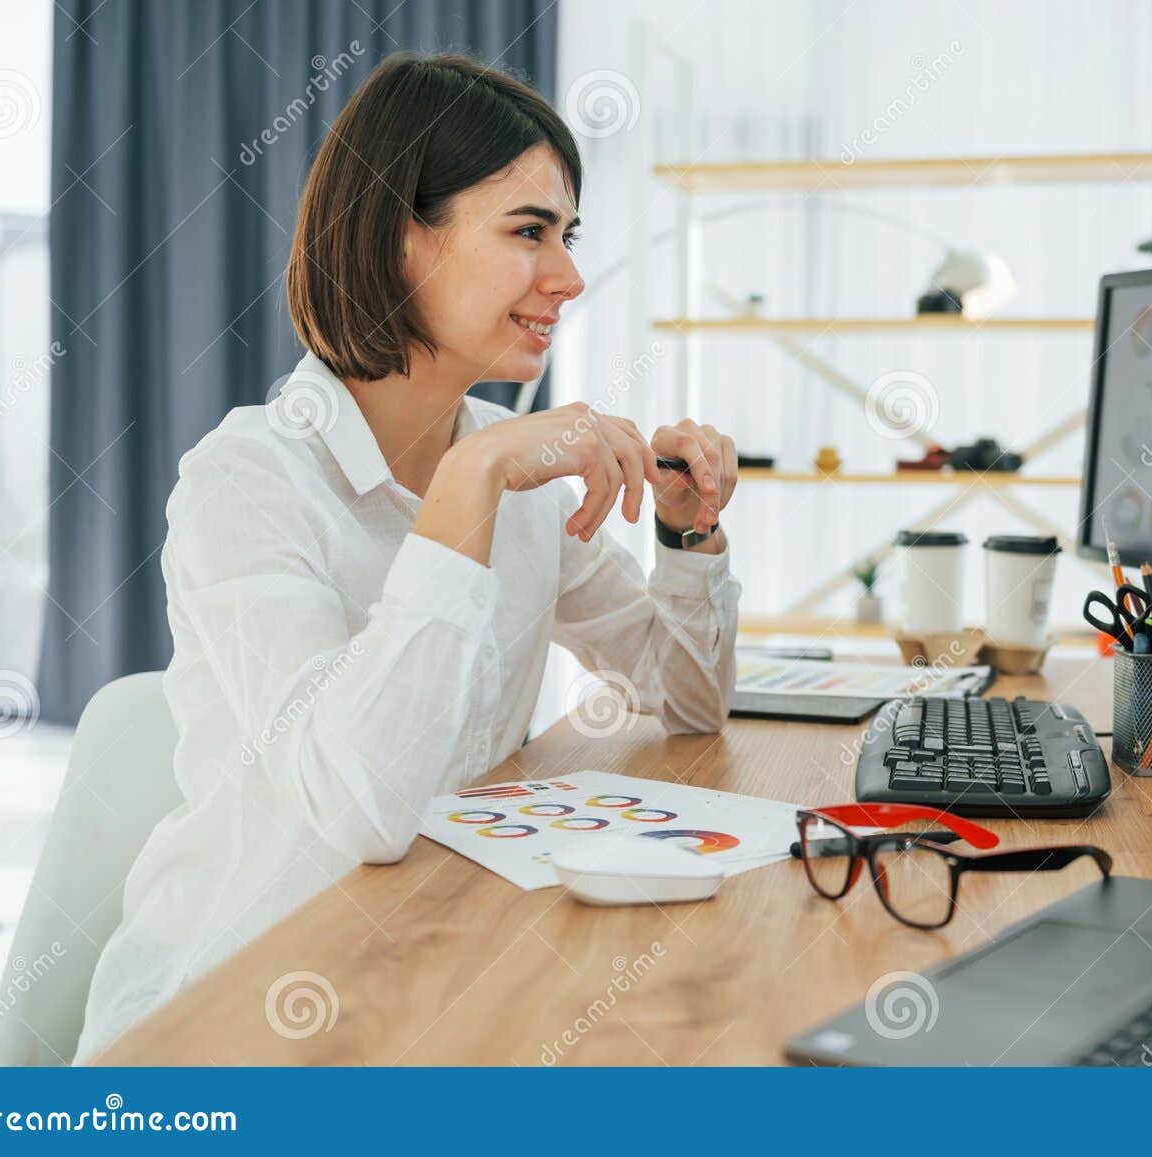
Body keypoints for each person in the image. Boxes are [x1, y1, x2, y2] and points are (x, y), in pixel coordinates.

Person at [75, 53, 740, 1061]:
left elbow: (685, 697)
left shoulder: (504, 459)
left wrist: (686, 535)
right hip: (226, 1017)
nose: (566, 276)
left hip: (426, 964)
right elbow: (363, 807)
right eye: (527, 232)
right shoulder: (248, 479)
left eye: (567, 236)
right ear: (397, 240)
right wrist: (469, 485)